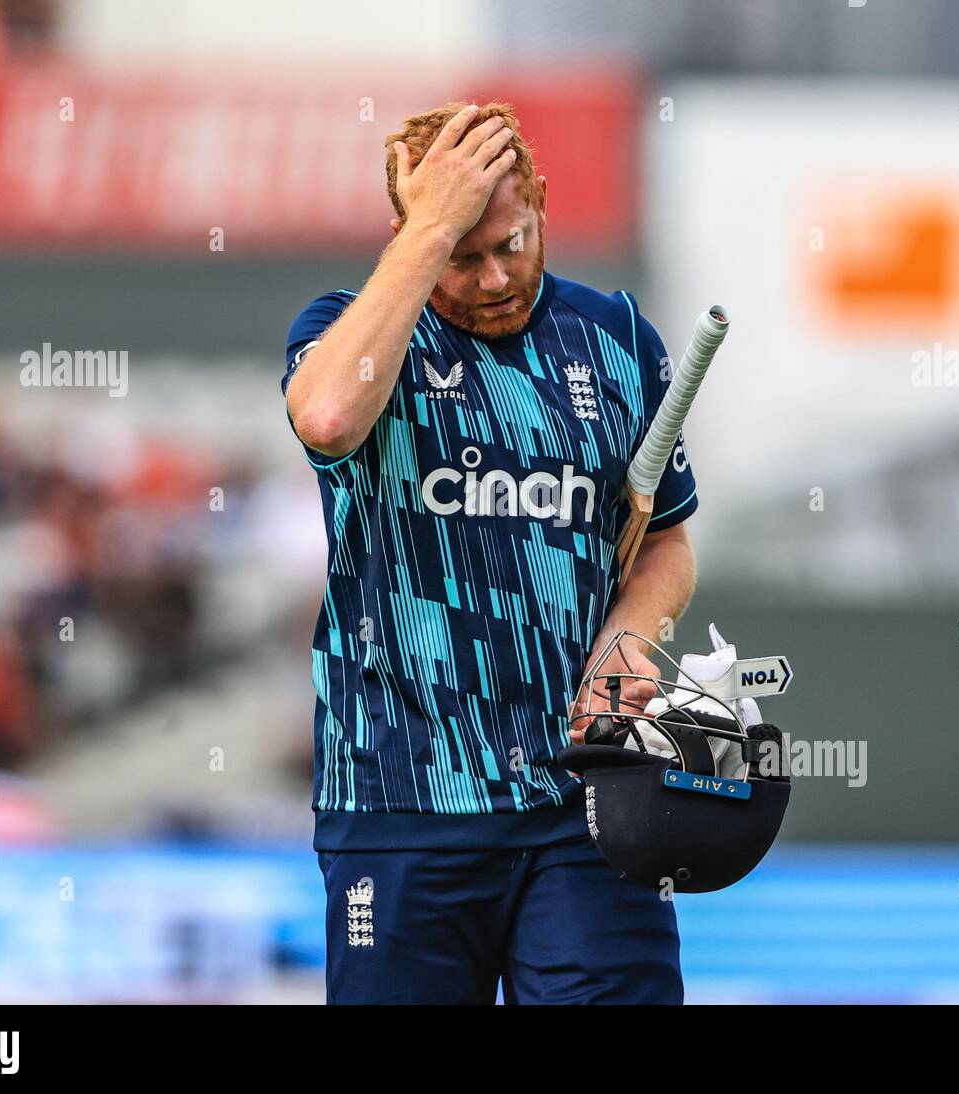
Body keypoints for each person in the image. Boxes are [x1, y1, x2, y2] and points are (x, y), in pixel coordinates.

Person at [282, 101, 699, 1004]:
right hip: (396, 804)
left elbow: (664, 540)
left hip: (585, 805)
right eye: (461, 255)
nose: (495, 277)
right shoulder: (348, 330)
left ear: (542, 201)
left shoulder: (618, 339)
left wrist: (630, 640)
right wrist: (431, 226)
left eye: (512, 241)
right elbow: (325, 418)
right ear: (410, 236)